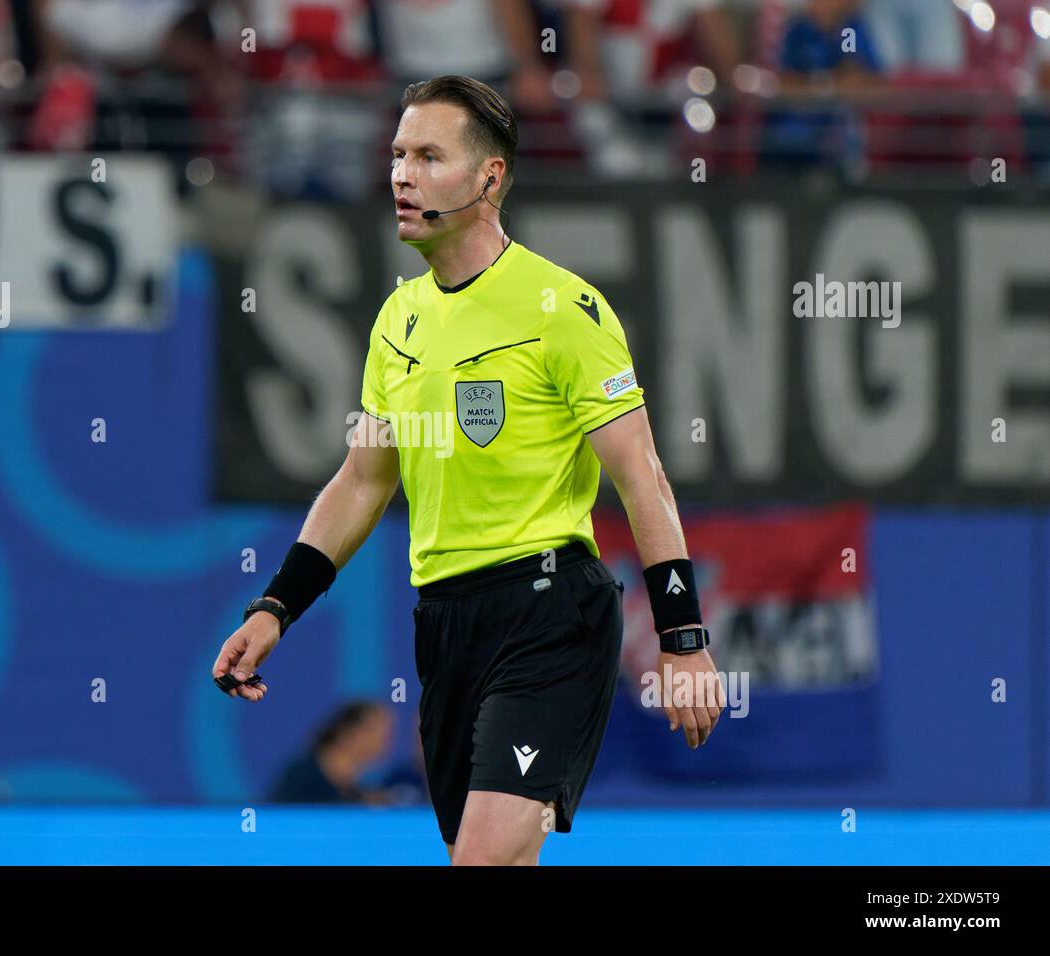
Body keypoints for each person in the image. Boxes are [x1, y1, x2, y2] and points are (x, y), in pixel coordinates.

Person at [212, 74, 723, 866]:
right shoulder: (399, 319)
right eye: (396, 155)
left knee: (480, 858)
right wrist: (275, 606)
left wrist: (683, 639)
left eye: (427, 156)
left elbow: (641, 474)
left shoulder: (564, 309)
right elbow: (362, 482)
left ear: (489, 178)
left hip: (550, 614)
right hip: (446, 625)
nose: (402, 176)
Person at [267, 701, 396, 805]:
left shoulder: (358, 791)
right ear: (350, 732)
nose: (386, 740)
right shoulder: (301, 776)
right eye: (380, 733)